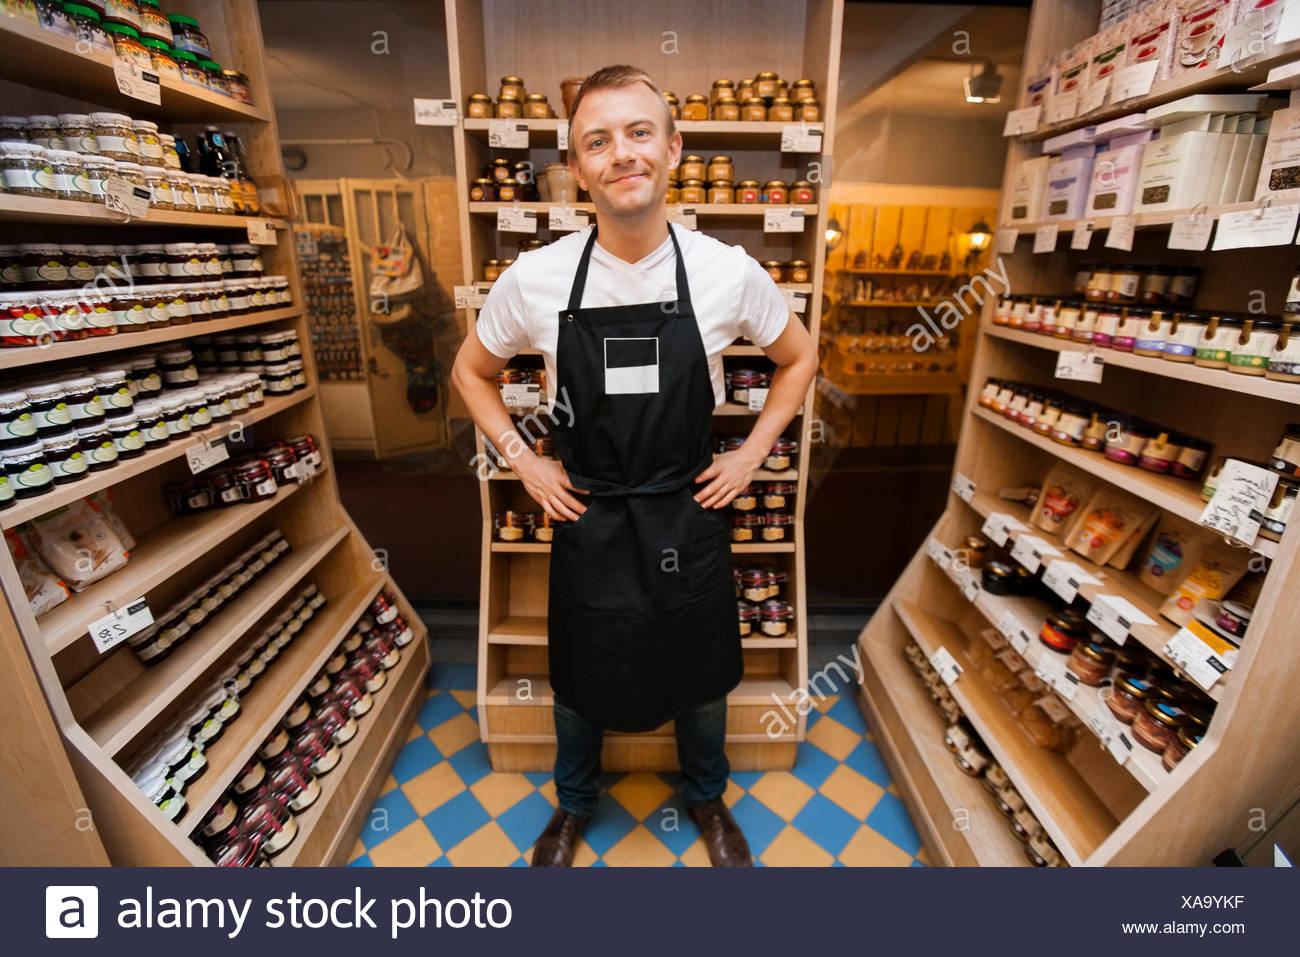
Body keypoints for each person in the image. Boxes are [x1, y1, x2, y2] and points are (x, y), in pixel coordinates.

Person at [451, 65, 819, 867]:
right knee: (581, 671)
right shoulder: (537, 278)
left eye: (638, 132)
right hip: (588, 509)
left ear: (674, 148)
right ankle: (573, 805)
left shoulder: (726, 271)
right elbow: (468, 373)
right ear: (576, 167)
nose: (622, 153)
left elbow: (799, 356)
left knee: (701, 669)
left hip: (686, 505)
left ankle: (707, 797)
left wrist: (754, 451)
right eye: (598, 140)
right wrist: (524, 463)